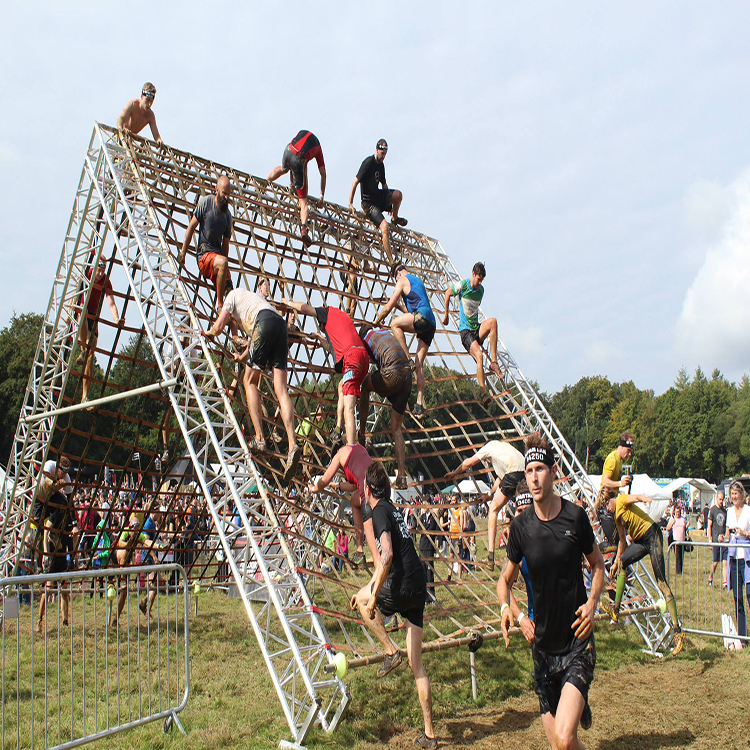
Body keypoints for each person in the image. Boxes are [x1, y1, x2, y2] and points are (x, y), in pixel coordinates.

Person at [497, 435, 604, 750]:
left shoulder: (575, 517)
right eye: (529, 470)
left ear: (553, 472)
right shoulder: (521, 528)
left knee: (563, 736)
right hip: (542, 649)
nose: (533, 477)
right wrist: (514, 614)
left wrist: (593, 604)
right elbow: (504, 581)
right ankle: (576, 705)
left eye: (540, 469)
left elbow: (597, 564)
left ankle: (577, 698)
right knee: (561, 747)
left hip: (576, 643)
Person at [350, 463, 435, 748]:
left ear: (366, 489)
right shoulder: (394, 509)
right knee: (418, 666)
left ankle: (390, 651)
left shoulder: (379, 512)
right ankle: (430, 735)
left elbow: (385, 556)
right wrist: (368, 589)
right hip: (418, 586)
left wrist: (371, 597)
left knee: (363, 603)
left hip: (401, 585)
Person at [203, 282, 302, 482]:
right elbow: (256, 338)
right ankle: (293, 444)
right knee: (281, 389)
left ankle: (259, 438)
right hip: (279, 327)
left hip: (263, 324)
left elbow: (220, 325)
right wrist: (241, 358)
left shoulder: (230, 297)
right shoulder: (251, 300)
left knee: (249, 381)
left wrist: (210, 333)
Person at [602, 488, 685, 654]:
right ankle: (616, 610)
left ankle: (678, 633)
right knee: (623, 562)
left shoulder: (621, 501)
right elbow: (622, 543)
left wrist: (645, 498)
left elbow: (636, 497)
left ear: (612, 499)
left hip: (652, 535)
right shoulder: (617, 518)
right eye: (604, 507)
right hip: (640, 541)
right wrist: (616, 561)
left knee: (661, 582)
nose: (607, 508)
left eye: (607, 504)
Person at [281, 299, 369, 447]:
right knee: (342, 387)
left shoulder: (326, 312)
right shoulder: (342, 318)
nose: (323, 330)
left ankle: (352, 448)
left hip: (351, 358)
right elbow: (331, 348)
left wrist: (288, 302)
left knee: (349, 407)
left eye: (322, 329)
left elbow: (306, 309)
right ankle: (339, 427)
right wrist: (320, 338)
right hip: (362, 358)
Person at [444, 439, 524, 571]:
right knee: (522, 511)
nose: (488, 462)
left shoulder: (489, 447)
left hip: (512, 473)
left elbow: (469, 462)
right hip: (524, 473)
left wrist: (455, 473)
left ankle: (491, 556)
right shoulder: (505, 449)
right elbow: (501, 480)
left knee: (493, 510)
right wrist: (488, 495)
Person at [373, 264, 436, 417]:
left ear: (399, 273)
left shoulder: (402, 280)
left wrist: (378, 319)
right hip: (431, 322)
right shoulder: (416, 281)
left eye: (395, 278)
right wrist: (402, 306)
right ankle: (419, 405)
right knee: (419, 363)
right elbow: (411, 310)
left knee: (395, 324)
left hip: (421, 316)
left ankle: (406, 357)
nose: (396, 281)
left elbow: (389, 306)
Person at [357, 324, 412, 489]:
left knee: (365, 385)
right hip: (407, 375)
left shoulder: (366, 339)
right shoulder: (384, 333)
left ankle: (362, 433)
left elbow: (367, 361)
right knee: (396, 429)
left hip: (392, 372)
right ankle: (401, 477)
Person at [441, 262, 501, 405]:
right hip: (466, 331)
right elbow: (448, 293)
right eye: (478, 279)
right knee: (479, 355)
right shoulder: (463, 285)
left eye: (482, 280)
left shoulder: (481, 290)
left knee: (493, 321)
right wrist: (446, 315)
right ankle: (483, 394)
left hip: (476, 329)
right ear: (473, 274)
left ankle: (494, 362)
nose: (480, 283)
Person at [308, 443, 375, 566]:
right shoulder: (358, 449)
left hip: (369, 494)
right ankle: (359, 552)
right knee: (354, 500)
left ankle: (360, 550)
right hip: (380, 484)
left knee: (373, 538)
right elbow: (355, 485)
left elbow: (323, 482)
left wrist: (314, 489)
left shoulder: (338, 455)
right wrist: (338, 486)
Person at [178, 176, 234, 309]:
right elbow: (191, 227)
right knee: (223, 262)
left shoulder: (227, 215)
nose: (226, 197)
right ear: (216, 190)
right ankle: (219, 304)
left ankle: (227, 325)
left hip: (218, 259)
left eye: (228, 194)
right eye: (224, 193)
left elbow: (225, 244)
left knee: (232, 298)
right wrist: (183, 253)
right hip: (204, 256)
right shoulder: (206, 203)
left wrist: (225, 270)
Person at [348, 139, 406, 263]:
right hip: (368, 204)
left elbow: (384, 185)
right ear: (377, 150)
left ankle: (395, 218)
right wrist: (350, 203)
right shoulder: (368, 163)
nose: (383, 156)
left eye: (385, 154)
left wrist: (389, 202)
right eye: (382, 153)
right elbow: (355, 183)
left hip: (378, 197)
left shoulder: (381, 166)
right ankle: (391, 261)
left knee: (398, 195)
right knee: (384, 227)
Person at [76, 259, 124, 406]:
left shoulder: (106, 282)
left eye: (102, 270)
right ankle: (83, 350)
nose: (99, 273)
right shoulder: (87, 274)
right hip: (82, 311)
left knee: (92, 355)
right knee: (83, 312)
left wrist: (116, 319)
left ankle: (85, 396)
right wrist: (67, 315)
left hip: (93, 317)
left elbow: (111, 303)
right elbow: (75, 292)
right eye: (98, 269)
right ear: (94, 267)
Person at [267, 130, 326, 247]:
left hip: (288, 150)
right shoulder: (318, 149)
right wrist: (321, 196)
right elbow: (323, 173)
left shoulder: (303, 132)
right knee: (303, 201)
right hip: (298, 159)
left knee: (284, 168)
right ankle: (303, 229)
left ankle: (265, 181)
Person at [35, 486, 79, 633]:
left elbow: (74, 539)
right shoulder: (56, 514)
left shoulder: (70, 520)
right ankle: (39, 620)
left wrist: (74, 537)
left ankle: (65, 622)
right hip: (53, 558)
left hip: (62, 558)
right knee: (48, 590)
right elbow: (46, 532)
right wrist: (46, 554)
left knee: (64, 591)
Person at [26, 456, 74, 573]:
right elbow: (48, 483)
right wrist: (58, 484)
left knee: (63, 503)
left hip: (51, 496)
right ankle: (38, 563)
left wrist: (74, 522)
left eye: (66, 472)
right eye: (62, 471)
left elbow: (70, 499)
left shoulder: (65, 478)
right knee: (39, 530)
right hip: (39, 497)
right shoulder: (49, 465)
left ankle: (53, 532)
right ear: (57, 467)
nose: (63, 474)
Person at [725, 481, 750, 637]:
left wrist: (745, 533)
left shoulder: (748, 511)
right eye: (732, 494)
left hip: (747, 559)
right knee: (738, 598)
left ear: (742, 494)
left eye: (736, 493)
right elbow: (728, 534)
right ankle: (742, 636)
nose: (734, 497)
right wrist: (723, 537)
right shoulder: (729, 512)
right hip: (734, 558)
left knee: (749, 595)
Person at [707, 492, 727, 587]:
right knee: (715, 562)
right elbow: (709, 526)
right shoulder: (713, 510)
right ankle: (710, 576)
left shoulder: (725, 511)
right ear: (716, 499)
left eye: (722, 499)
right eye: (720, 499)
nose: (721, 501)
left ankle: (725, 582)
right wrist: (710, 540)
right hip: (715, 541)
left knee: (725, 562)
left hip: (723, 541)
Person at [667, 505, 688, 575]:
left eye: (679, 512)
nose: (678, 513)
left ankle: (681, 571)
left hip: (683, 540)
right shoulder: (673, 519)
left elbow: (685, 529)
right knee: (677, 556)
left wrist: (686, 526)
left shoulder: (682, 519)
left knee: (681, 556)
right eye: (676, 512)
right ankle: (678, 572)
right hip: (675, 540)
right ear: (674, 512)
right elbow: (668, 528)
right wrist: (672, 523)